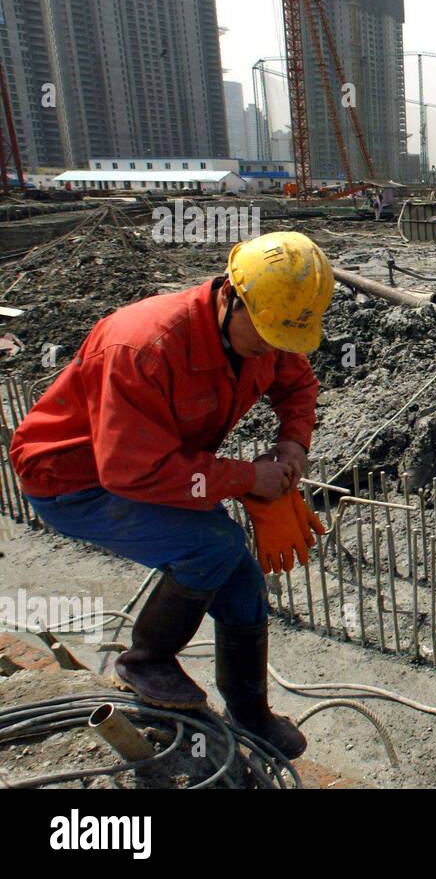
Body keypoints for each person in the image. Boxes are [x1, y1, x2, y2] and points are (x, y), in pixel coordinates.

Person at [9, 232, 335, 760]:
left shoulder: (269, 333)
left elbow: (296, 384)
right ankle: (147, 660)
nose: (273, 349)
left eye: (284, 339)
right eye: (267, 335)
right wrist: (244, 478)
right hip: (74, 481)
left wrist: (293, 443)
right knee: (212, 546)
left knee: (243, 583)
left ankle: (250, 713)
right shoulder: (145, 346)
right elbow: (131, 471)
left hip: (156, 463)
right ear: (232, 294)